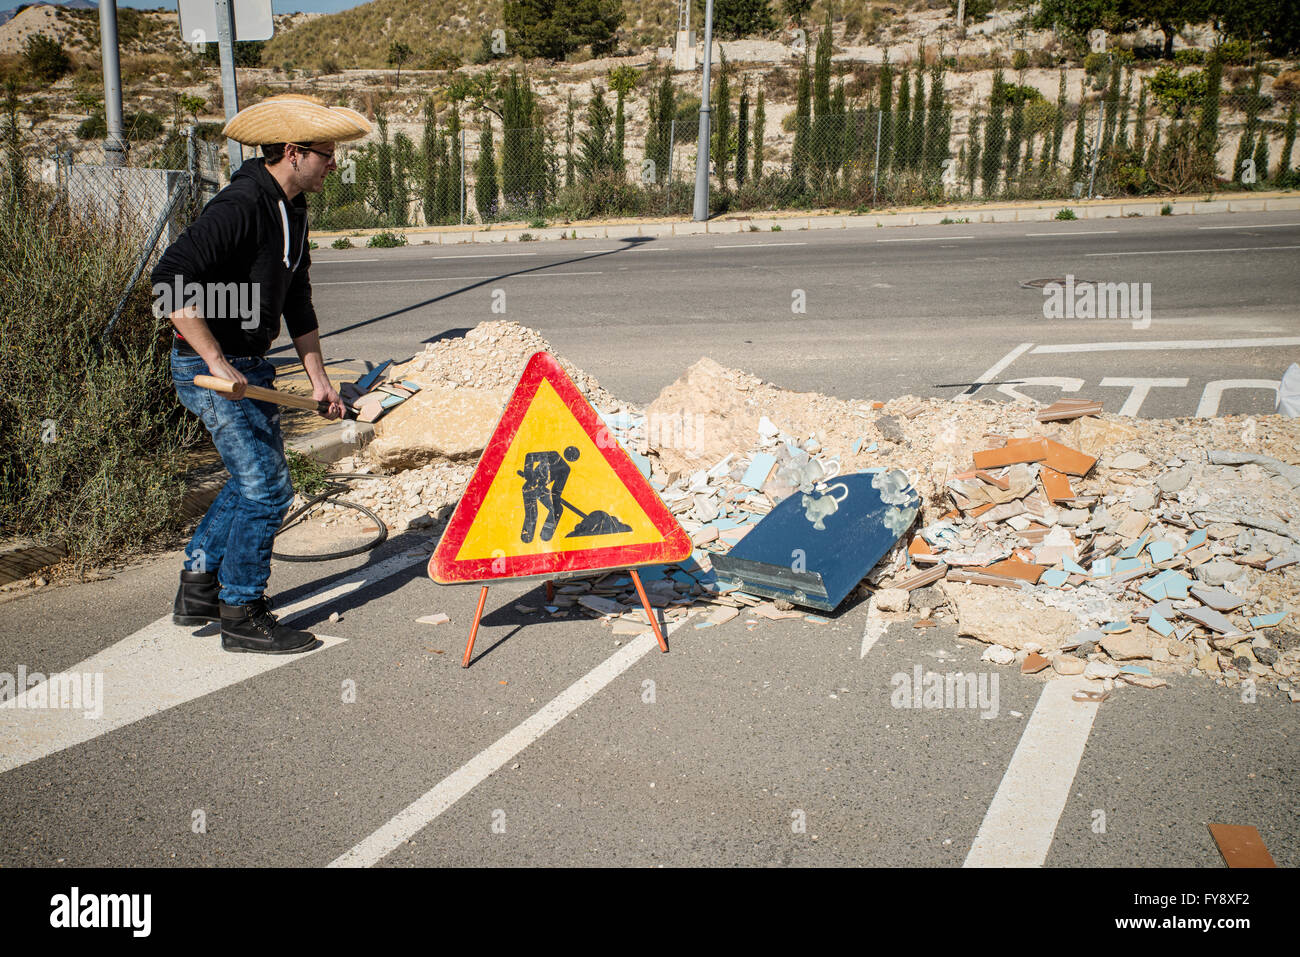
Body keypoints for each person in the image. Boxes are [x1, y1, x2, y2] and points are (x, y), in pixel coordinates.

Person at [156, 95, 369, 654]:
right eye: (327, 155)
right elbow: (170, 280)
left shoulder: (292, 209)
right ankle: (243, 612)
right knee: (270, 489)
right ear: (294, 152)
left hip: (251, 366)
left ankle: (199, 584)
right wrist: (214, 358)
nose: (333, 165)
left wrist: (319, 377)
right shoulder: (242, 203)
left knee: (251, 479)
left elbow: (296, 301)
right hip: (212, 372)